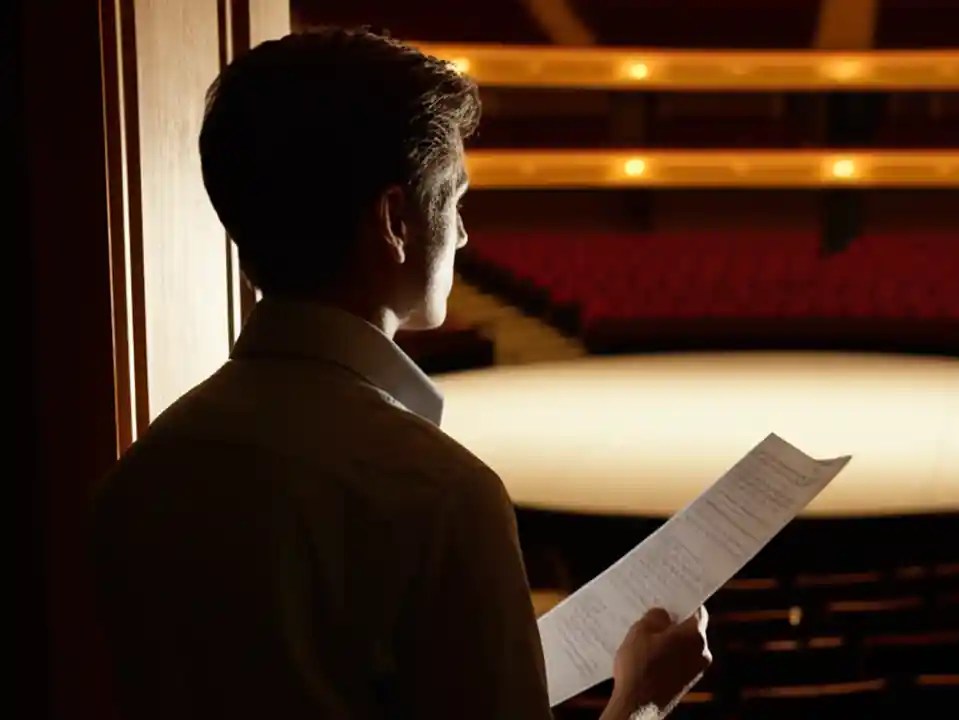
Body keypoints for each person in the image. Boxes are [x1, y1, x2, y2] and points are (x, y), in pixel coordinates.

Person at [91, 28, 711, 720]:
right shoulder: (444, 497)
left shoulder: (137, 481)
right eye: (454, 202)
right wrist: (640, 700)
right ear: (394, 221)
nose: (466, 234)